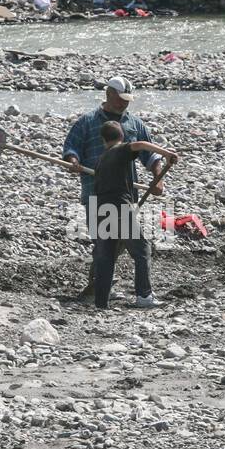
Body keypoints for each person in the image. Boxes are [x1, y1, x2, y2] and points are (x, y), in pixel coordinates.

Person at [62, 75, 167, 297]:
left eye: (127, 100)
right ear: (108, 94)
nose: (123, 103)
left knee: (116, 243)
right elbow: (71, 147)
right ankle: (100, 288)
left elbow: (150, 157)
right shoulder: (88, 122)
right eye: (120, 98)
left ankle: (99, 289)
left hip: (124, 195)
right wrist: (73, 161)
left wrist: (158, 177)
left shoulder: (135, 124)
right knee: (104, 243)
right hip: (94, 193)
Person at [90, 120, 179, 310]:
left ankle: (100, 303)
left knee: (106, 256)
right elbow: (141, 145)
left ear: (103, 139)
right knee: (142, 250)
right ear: (121, 136)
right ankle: (144, 296)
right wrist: (167, 154)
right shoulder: (119, 150)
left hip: (99, 208)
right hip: (118, 208)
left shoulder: (101, 159)